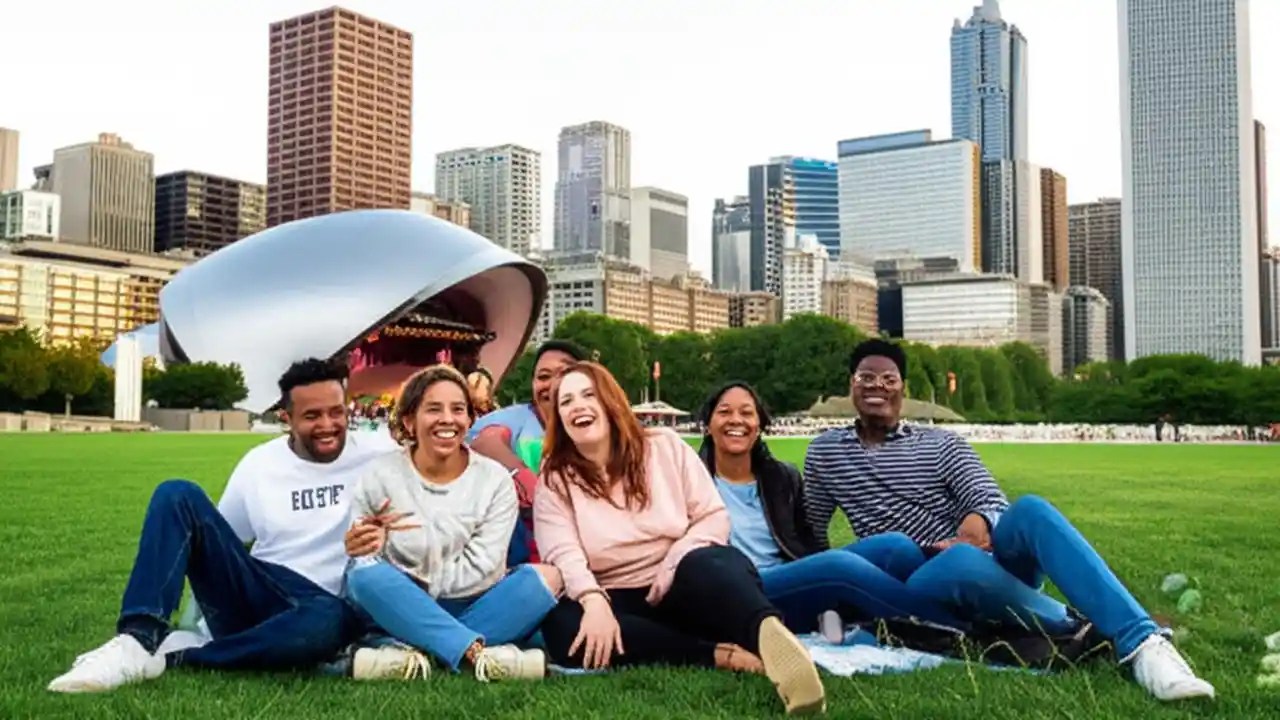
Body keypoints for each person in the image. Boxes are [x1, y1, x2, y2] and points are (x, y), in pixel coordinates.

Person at [802, 339, 1215, 702]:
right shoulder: (826, 452)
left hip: (985, 556)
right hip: (919, 576)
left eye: (888, 379)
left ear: (902, 389)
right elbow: (810, 530)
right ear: (851, 385)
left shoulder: (942, 443)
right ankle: (1075, 622)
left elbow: (987, 496)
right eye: (866, 378)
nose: (877, 386)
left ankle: (1144, 646)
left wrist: (977, 521)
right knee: (955, 565)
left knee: (1031, 509)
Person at [48, 357, 422, 693]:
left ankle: (181, 657)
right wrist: (201, 610)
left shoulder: (378, 456)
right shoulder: (259, 465)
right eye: (312, 416)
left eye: (336, 412)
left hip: (325, 609)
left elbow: (441, 461)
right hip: (262, 588)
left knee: (323, 622)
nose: (328, 425)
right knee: (176, 494)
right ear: (286, 419)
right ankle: (136, 641)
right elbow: (216, 542)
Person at [534, 362, 826, 716]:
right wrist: (593, 600)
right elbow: (562, 550)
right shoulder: (555, 478)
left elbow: (713, 516)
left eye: (588, 395)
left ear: (611, 401)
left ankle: (770, 636)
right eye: (566, 402)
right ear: (559, 417)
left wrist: (674, 562)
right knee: (562, 626)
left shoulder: (664, 447)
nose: (577, 406)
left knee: (716, 562)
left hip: (682, 581)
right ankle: (717, 654)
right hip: (615, 595)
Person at [343, 365, 561, 681]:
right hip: (399, 600)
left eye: (458, 409)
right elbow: (366, 557)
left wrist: (411, 567)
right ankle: (477, 652)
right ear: (409, 420)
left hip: (470, 601)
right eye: (433, 409)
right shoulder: (379, 476)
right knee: (363, 576)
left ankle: (409, 651)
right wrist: (369, 546)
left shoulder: (495, 480)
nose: (448, 419)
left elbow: (483, 568)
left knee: (546, 578)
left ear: (469, 419)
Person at [697, 381, 964, 632]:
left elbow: (806, 539)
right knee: (839, 567)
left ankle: (904, 620)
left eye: (747, 413)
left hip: (786, 576)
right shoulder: (691, 480)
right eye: (724, 412)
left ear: (759, 425)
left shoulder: (781, 477)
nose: (736, 420)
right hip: (741, 590)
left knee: (896, 547)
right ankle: (959, 628)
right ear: (708, 425)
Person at [468, 340, 587, 565]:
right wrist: (529, 485)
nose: (552, 385)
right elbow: (486, 442)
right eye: (543, 377)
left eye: (564, 373)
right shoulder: (513, 421)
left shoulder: (598, 429)